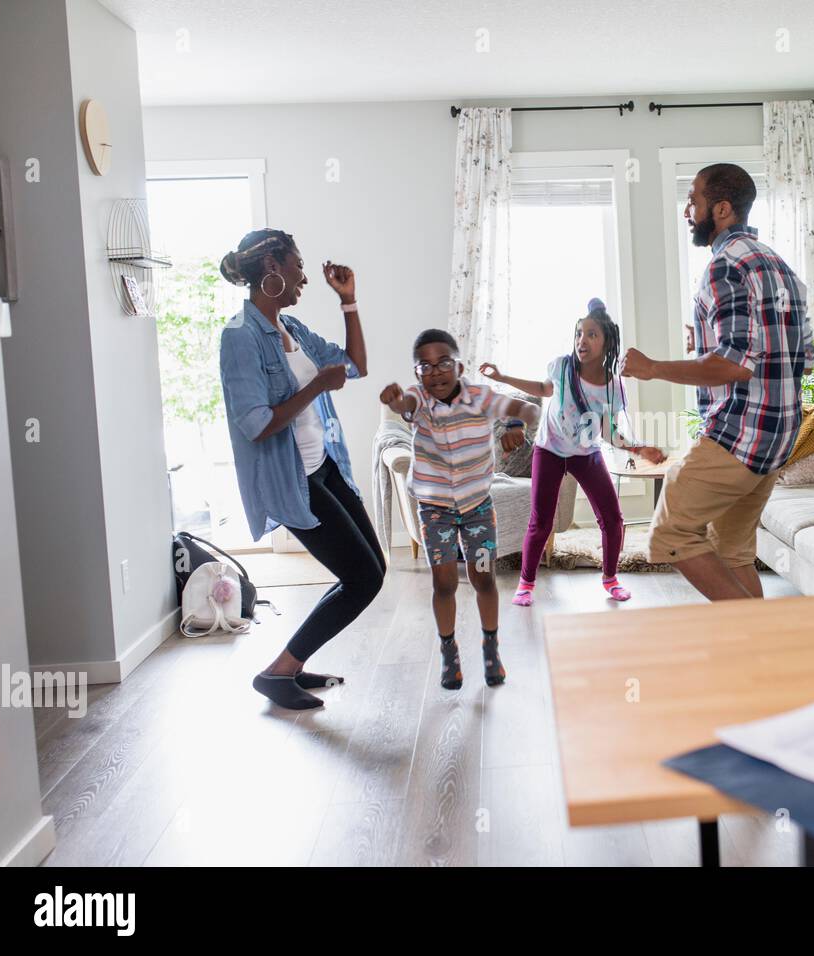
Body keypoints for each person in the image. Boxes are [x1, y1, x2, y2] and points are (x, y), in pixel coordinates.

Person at [621, 163, 814, 600]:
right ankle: (760, 659)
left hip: (739, 435)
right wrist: (707, 339)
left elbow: (733, 365)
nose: (688, 210)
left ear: (722, 209)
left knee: (669, 532)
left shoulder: (724, 267)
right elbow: (801, 354)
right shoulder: (780, 267)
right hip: (778, 437)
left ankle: (766, 644)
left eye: (694, 200)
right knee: (733, 553)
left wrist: (652, 367)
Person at [218, 228, 384, 710]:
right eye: (297, 266)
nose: (305, 277)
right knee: (362, 578)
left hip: (324, 468)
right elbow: (256, 425)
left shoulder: (290, 329)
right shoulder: (240, 338)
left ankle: (289, 666)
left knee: (369, 570)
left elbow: (354, 365)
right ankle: (279, 672)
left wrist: (348, 301)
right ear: (272, 268)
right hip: (290, 480)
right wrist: (316, 389)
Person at [379, 330, 540, 690]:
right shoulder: (417, 399)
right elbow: (404, 406)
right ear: (416, 372)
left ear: (459, 365)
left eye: (443, 363)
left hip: (477, 509)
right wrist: (395, 401)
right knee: (445, 582)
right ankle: (449, 650)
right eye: (425, 366)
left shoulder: (479, 397)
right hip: (436, 511)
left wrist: (516, 423)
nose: (435, 372)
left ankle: (490, 646)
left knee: (483, 577)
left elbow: (527, 408)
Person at [480, 298, 667, 607]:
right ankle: (526, 584)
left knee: (613, 518)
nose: (583, 340)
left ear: (607, 342)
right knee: (541, 521)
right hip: (549, 450)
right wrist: (502, 378)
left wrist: (639, 447)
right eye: (580, 333)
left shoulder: (612, 388)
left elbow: (608, 432)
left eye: (592, 334)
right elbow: (542, 389)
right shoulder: (562, 366)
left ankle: (610, 578)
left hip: (586, 455)